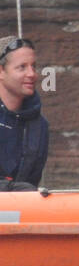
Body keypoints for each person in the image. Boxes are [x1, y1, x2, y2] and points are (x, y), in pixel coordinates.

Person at [0, 35, 48, 189]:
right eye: (22, 67)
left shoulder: (39, 126)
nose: (32, 74)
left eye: (33, 66)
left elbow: (32, 180)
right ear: (1, 71)